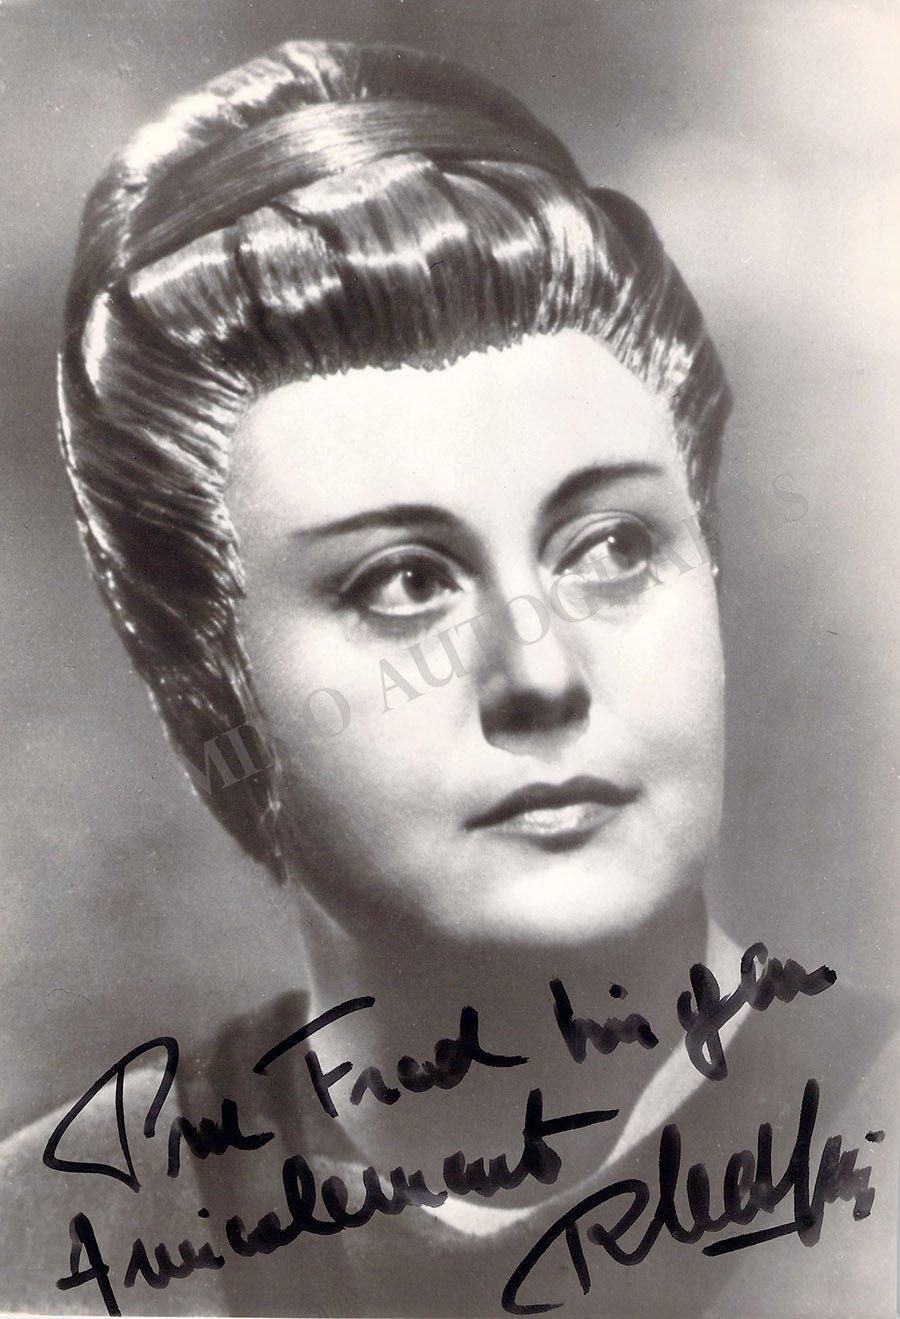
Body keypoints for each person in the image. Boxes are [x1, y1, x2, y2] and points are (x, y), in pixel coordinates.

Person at [0, 38, 894, 1319]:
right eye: (405, 582)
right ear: (206, 685)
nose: (541, 672)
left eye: (612, 547)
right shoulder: (54, 1245)